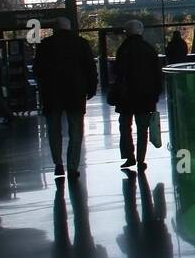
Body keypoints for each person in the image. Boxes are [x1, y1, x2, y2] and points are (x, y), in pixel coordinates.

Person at [33, 18, 97, 178]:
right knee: (76, 130)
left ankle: (58, 164)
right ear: (69, 28)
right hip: (75, 94)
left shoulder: (45, 45)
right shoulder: (81, 43)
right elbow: (90, 68)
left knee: (54, 130)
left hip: (52, 94)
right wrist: (91, 88)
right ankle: (73, 167)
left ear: (54, 29)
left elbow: (37, 70)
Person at [112, 20, 163, 171]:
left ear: (127, 32)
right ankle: (141, 159)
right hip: (145, 97)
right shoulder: (148, 49)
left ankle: (129, 156)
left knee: (125, 127)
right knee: (143, 129)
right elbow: (157, 74)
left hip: (126, 97)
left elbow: (117, 72)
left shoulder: (123, 49)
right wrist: (155, 94)